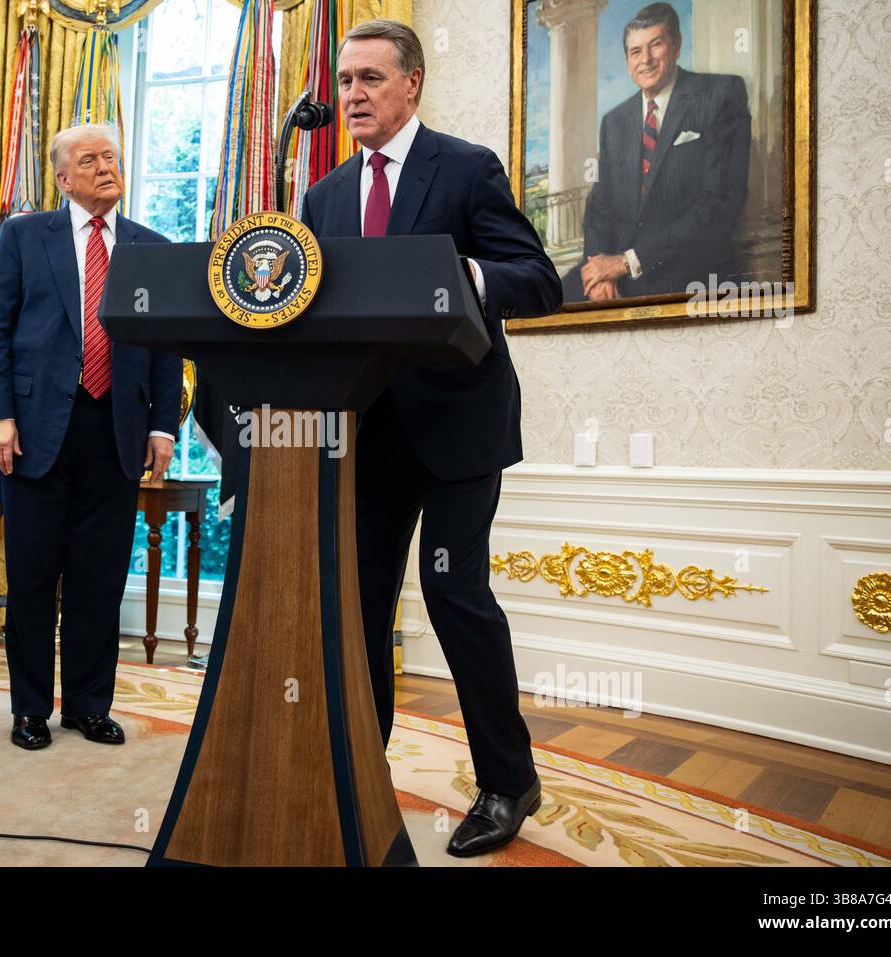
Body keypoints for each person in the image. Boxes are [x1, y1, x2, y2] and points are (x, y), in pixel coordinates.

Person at [300, 19, 562, 857]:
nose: (353, 96)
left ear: (413, 83)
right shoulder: (326, 196)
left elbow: (540, 280)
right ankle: (358, 765)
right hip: (364, 434)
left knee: (454, 597)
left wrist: (466, 275)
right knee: (362, 606)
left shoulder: (466, 167)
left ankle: (507, 779)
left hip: (457, 431)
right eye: (345, 81)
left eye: (371, 79)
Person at [0, 124, 181, 751]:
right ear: (62, 178)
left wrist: (163, 425)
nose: (104, 168)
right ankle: (30, 709)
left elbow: (165, 346)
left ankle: (89, 706)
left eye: (111, 157)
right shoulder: (23, 236)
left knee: (99, 580)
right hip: (33, 434)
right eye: (88, 161)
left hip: (115, 432)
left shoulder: (150, 246)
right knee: (33, 580)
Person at [560, 2, 751, 303]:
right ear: (627, 61)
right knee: (545, 305)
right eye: (635, 52)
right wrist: (598, 270)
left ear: (676, 46)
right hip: (617, 272)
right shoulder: (615, 121)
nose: (645, 60)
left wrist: (626, 262)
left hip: (686, 269)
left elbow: (717, 205)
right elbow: (599, 208)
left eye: (656, 45)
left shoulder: (720, 95)